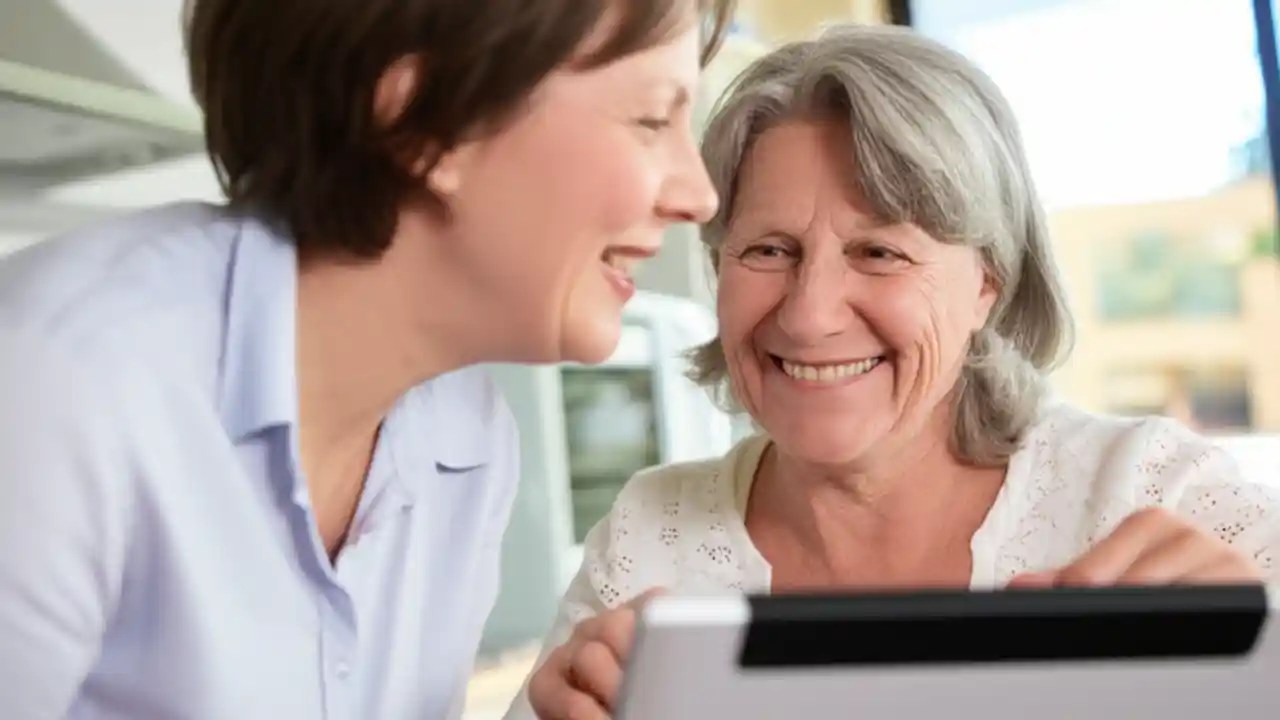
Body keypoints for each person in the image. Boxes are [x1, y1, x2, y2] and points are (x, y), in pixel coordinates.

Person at [510, 24, 1280, 720]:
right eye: (769, 250)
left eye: (879, 252)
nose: (809, 315)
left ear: (988, 284)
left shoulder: (1157, 491)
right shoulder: (650, 535)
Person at [0, 0, 732, 717]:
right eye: (651, 120)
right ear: (429, 124)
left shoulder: (467, 438)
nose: (699, 197)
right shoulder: (57, 388)